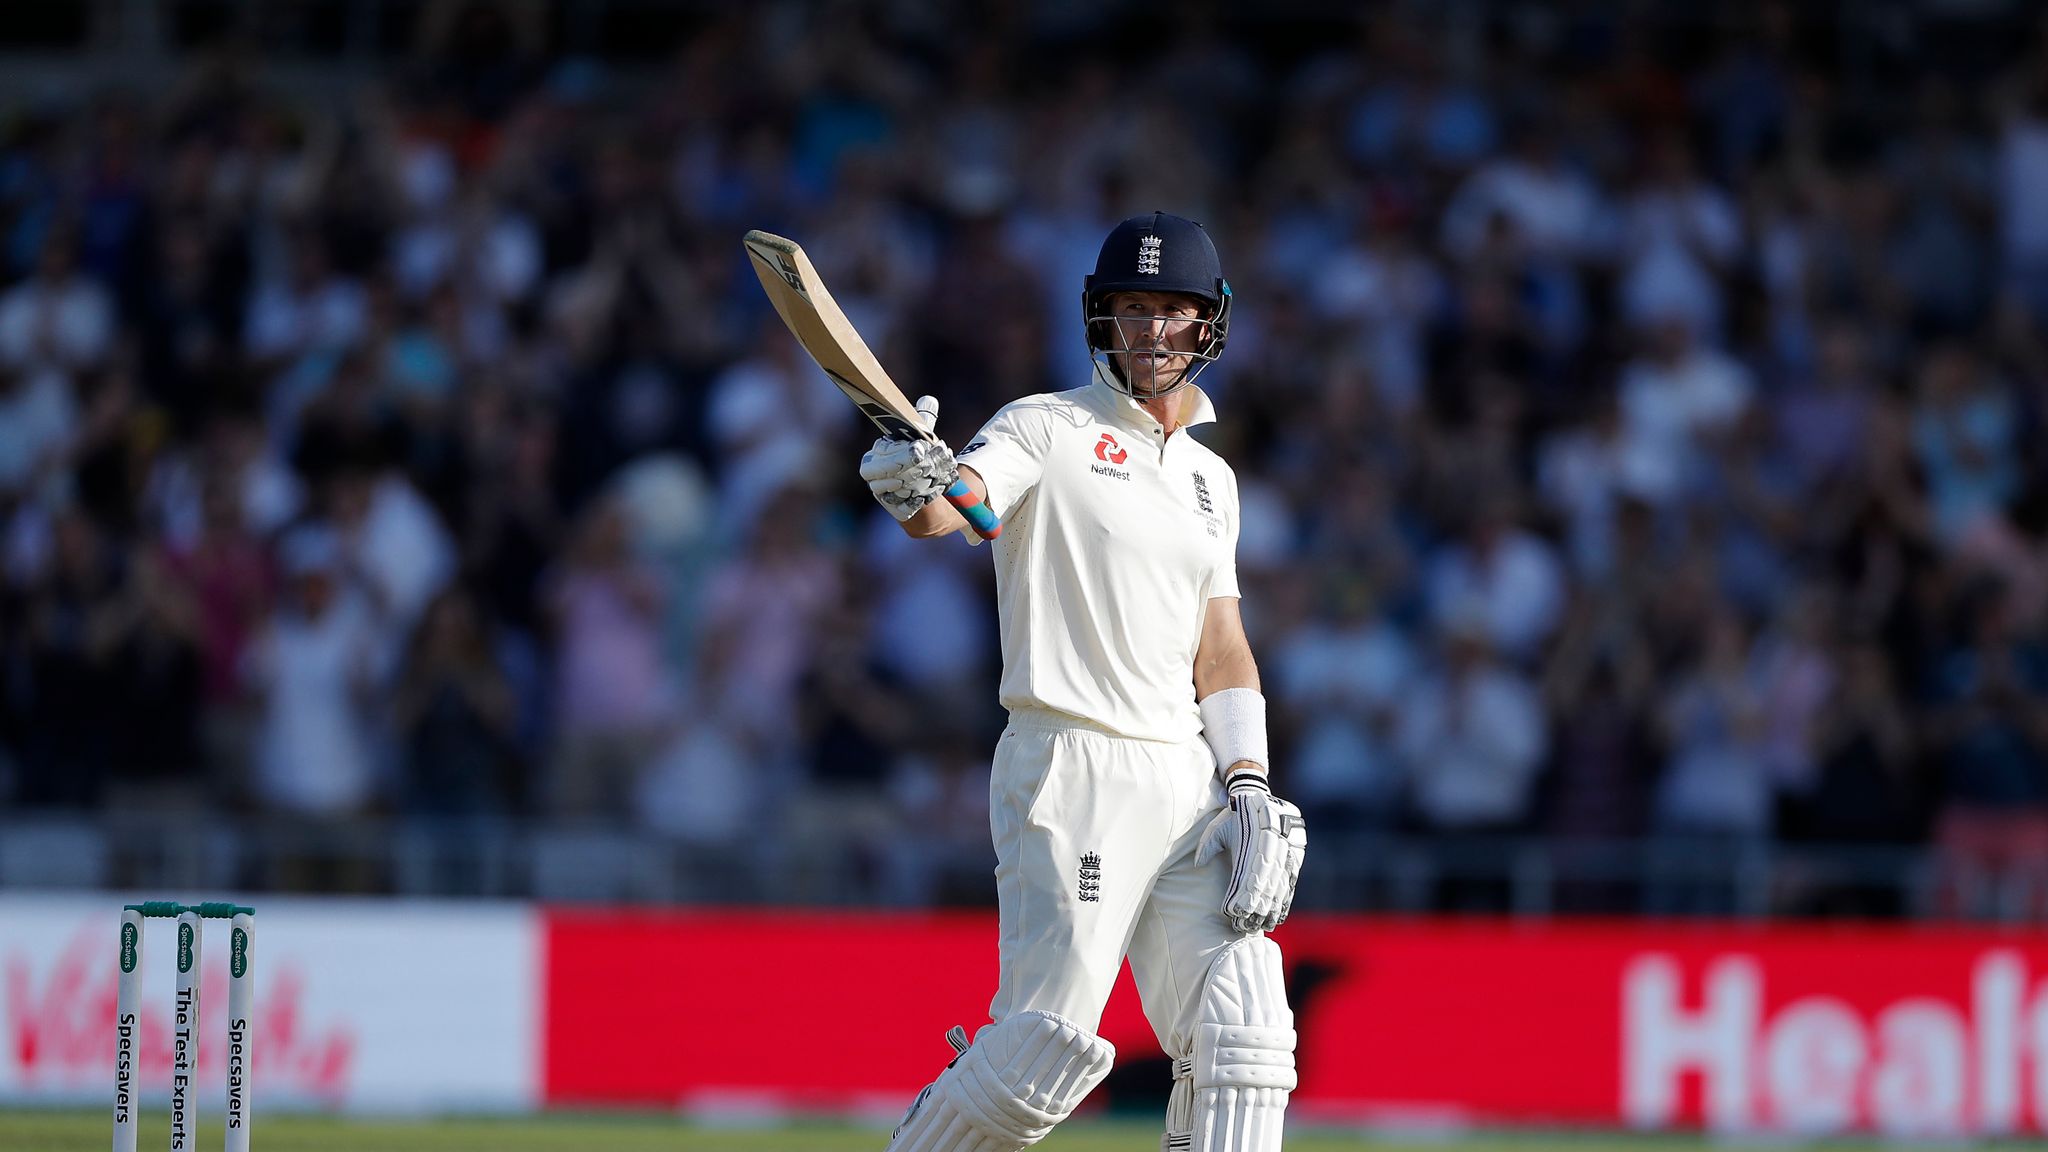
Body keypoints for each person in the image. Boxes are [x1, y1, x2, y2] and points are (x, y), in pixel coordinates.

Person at [861, 213, 1307, 1152]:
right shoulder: (1046, 426)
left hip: (1186, 777)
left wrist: (1251, 781)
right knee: (1041, 1056)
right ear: (1101, 317)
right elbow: (959, 508)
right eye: (1133, 308)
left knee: (1247, 1042)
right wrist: (913, 483)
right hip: (1072, 764)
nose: (1153, 330)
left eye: (1173, 310)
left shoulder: (1209, 478)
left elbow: (1220, 644)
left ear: (1209, 322)